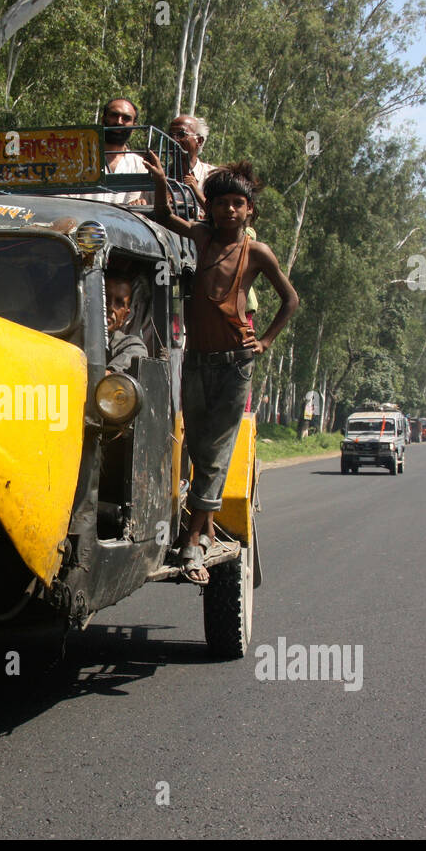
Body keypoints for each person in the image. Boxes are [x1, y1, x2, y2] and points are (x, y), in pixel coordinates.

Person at [142, 152, 300, 583]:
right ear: (209, 207)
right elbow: (162, 214)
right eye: (222, 203)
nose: (229, 210)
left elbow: (291, 300)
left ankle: (192, 543)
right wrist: (159, 179)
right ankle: (207, 529)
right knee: (194, 444)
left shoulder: (257, 251)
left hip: (235, 366)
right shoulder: (202, 238)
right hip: (196, 362)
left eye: (238, 204)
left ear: (249, 210)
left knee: (214, 456)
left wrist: (264, 341)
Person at [98, 97, 151, 206]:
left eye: (126, 118)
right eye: (114, 115)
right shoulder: (80, 158)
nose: (119, 122)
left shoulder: (141, 165)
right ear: (103, 120)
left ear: (134, 126)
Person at [167, 115, 216, 213]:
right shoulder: (157, 175)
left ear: (199, 141)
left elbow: (220, 215)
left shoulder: (213, 176)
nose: (174, 140)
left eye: (181, 134)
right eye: (170, 135)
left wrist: (196, 191)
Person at [105, 267, 148, 374]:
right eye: (105, 297)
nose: (110, 307)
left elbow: (109, 381)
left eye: (119, 302)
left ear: (124, 316)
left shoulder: (131, 346)